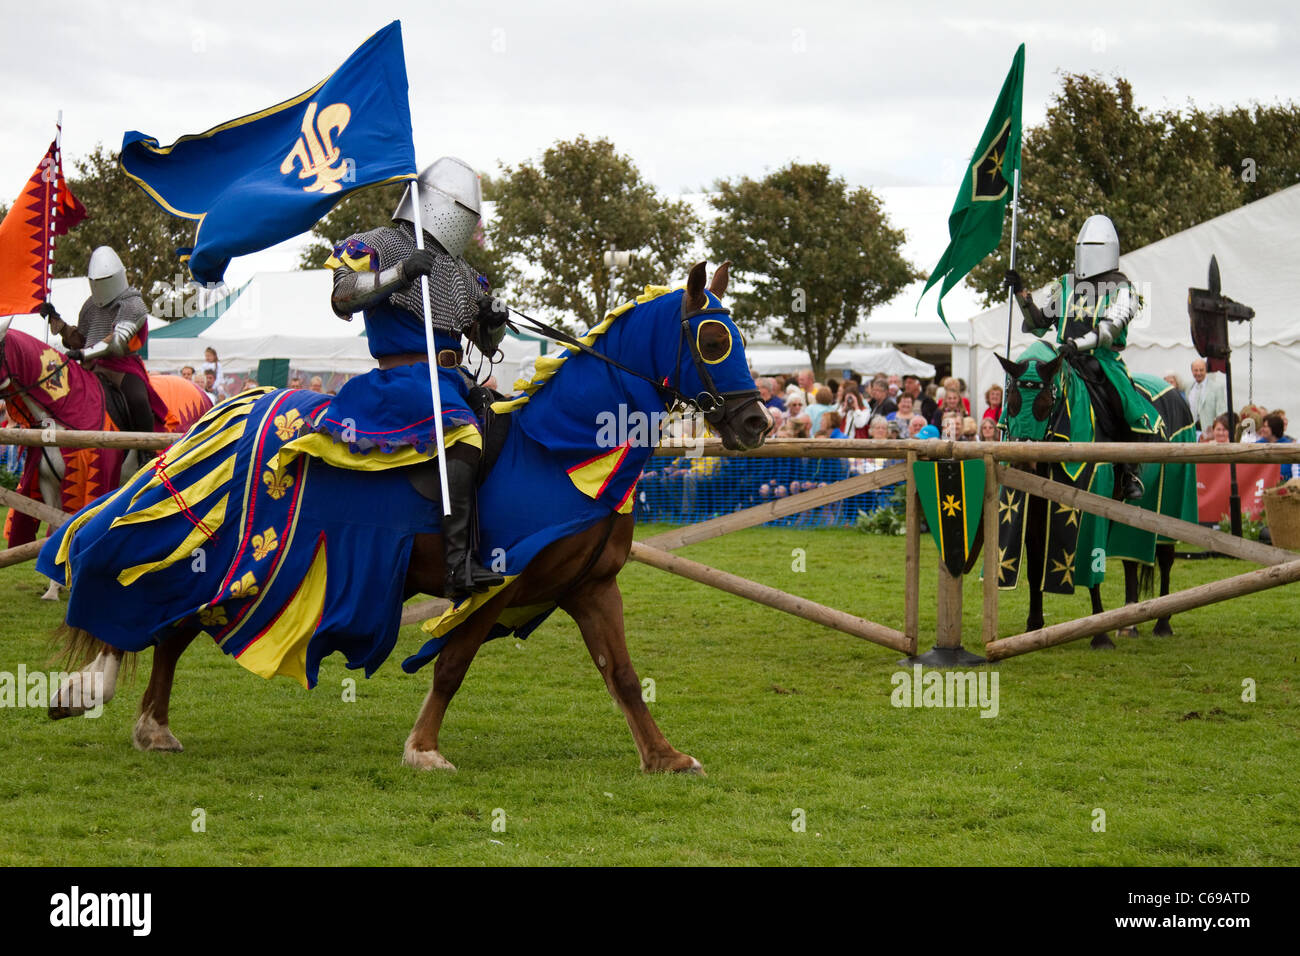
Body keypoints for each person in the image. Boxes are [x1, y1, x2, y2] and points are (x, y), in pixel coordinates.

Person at [325, 156, 508, 598]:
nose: (460, 224)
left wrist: (494, 317)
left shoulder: (461, 272)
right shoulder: (380, 244)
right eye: (458, 213)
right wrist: (400, 272)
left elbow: (485, 343)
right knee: (463, 436)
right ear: (434, 204)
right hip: (404, 378)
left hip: (453, 379)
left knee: (506, 423)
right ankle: (455, 565)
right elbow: (342, 297)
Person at [1005, 214, 1160, 500]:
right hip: (1063, 361)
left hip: (1101, 361)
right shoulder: (1066, 284)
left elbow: (1109, 330)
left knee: (1121, 401)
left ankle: (1129, 469)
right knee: (1028, 390)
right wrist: (1020, 293)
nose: (1088, 254)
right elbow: (1039, 323)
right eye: (1084, 247)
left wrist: (1077, 345)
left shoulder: (1123, 288)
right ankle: (1018, 445)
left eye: (1095, 247)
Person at [38, 246, 166, 434]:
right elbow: (82, 339)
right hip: (90, 367)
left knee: (138, 400)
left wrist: (83, 353)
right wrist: (58, 322)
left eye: (105, 280)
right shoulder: (90, 306)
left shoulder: (133, 304)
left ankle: (146, 450)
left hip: (122, 367)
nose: (100, 284)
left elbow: (116, 343)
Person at [1186, 358, 1227, 438]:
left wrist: (1217, 430)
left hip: (1210, 433)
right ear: (1192, 371)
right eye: (1196, 370)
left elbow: (1221, 413)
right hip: (1192, 433)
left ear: (1206, 370)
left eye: (1201, 370)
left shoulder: (1217, 387)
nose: (1198, 373)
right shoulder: (1188, 388)